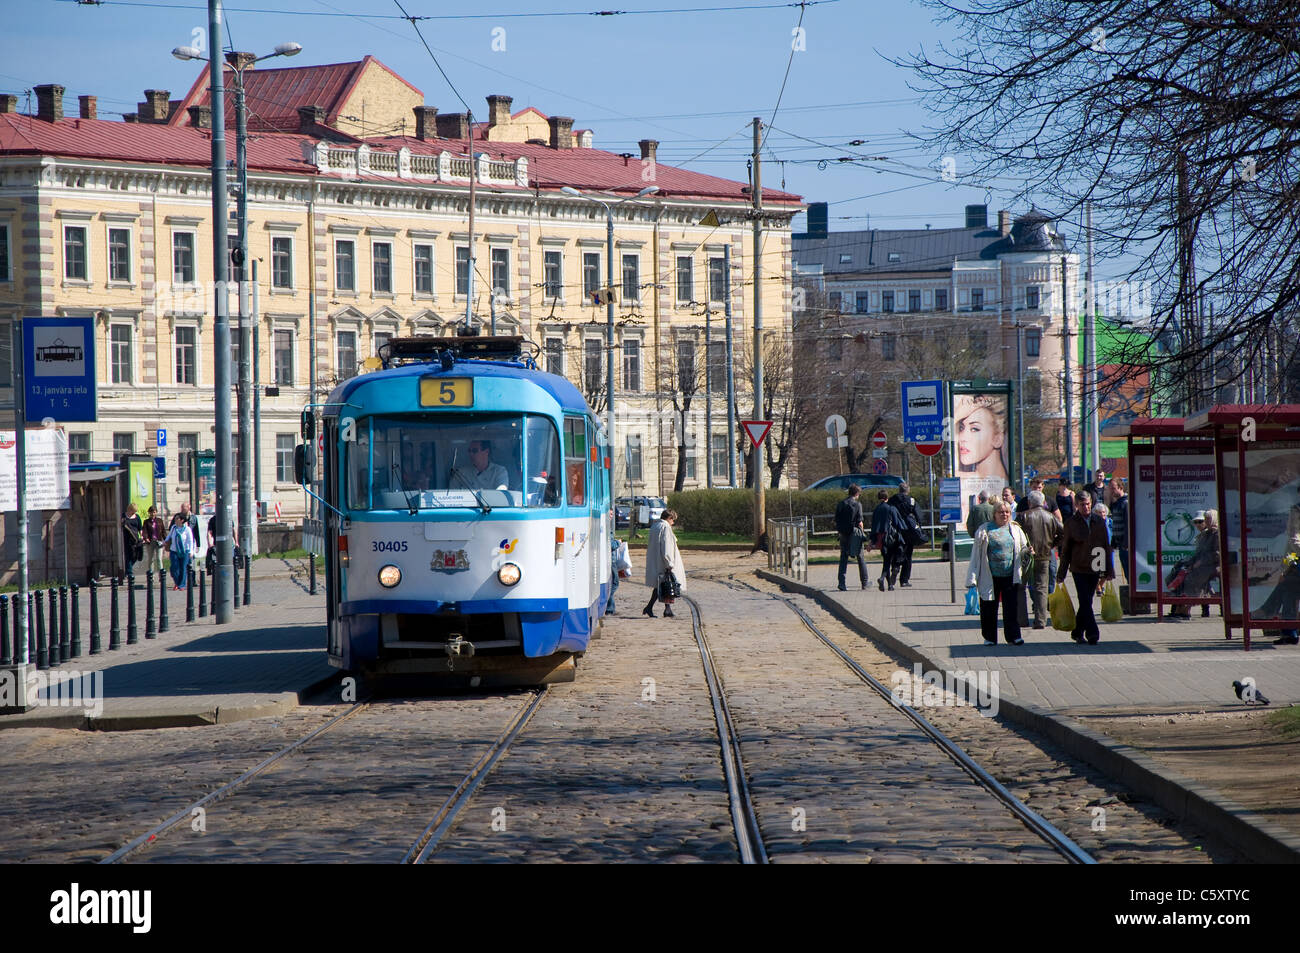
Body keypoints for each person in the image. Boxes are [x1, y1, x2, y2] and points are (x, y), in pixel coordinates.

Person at [967, 500, 1031, 645]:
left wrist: (1028, 551)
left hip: (1010, 575)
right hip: (990, 575)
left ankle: (1013, 636)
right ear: (994, 514)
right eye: (1001, 512)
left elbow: (1022, 547)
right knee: (988, 607)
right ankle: (989, 637)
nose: (1004, 514)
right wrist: (972, 578)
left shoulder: (1015, 529)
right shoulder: (985, 529)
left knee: (1011, 608)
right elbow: (976, 555)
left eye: (1007, 512)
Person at [1058, 490, 1115, 644]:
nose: (1086, 507)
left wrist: (1108, 570)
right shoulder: (1071, 523)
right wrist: (1061, 573)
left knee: (1087, 601)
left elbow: (1105, 546)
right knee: (1084, 600)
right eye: (1082, 505)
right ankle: (1093, 633)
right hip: (1079, 567)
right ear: (1076, 505)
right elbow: (1066, 550)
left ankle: (1077, 632)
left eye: (1088, 504)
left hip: (1096, 566)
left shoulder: (1099, 521)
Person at [1018, 490, 1062, 629]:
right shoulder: (1050, 517)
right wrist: (1052, 545)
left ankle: (1022, 620)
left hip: (1026, 556)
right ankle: (1041, 621)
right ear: (1043, 503)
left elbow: (1015, 534)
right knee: (1041, 588)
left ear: (1029, 502)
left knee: (1020, 587)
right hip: (1045, 556)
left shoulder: (1023, 516)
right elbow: (1063, 533)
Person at [1169, 510, 1219, 619]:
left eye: (1207, 519)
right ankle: (1178, 606)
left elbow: (1217, 554)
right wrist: (1189, 562)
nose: (1206, 522)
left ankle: (1186, 608)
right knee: (1180, 573)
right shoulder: (1206, 534)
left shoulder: (1217, 534)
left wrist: (1200, 562)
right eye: (1205, 519)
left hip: (1213, 565)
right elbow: (1199, 553)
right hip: (1202, 564)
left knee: (1191, 578)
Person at [955, 395, 1010, 482]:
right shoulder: (960, 480)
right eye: (961, 428)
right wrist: (956, 416)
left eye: (974, 429)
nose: (962, 438)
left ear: (997, 439)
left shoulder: (1006, 488)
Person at [643, 509, 686, 619]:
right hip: (663, 561)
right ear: (669, 518)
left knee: (663, 585)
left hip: (656, 560)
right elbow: (667, 546)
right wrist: (669, 563)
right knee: (666, 585)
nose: (673, 523)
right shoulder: (665, 527)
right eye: (673, 520)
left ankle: (665, 609)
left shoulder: (655, 526)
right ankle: (654, 608)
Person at [871, 489, 908, 591]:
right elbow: (898, 523)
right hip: (892, 538)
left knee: (886, 560)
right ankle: (885, 581)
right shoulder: (891, 509)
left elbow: (874, 526)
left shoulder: (877, 509)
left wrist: (872, 541)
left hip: (880, 539)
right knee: (891, 560)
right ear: (887, 498)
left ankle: (888, 583)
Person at [835, 484, 869, 591]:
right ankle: (864, 582)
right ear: (857, 493)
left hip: (843, 533)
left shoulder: (841, 504)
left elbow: (836, 519)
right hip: (855, 534)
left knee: (843, 558)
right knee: (860, 557)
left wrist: (839, 532)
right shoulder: (857, 505)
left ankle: (842, 583)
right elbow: (860, 522)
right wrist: (862, 534)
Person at [887, 482, 922, 587]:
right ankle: (904, 580)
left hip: (895, 530)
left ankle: (895, 567)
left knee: (896, 551)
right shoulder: (911, 500)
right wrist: (919, 525)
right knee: (908, 554)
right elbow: (919, 515)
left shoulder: (892, 500)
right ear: (908, 490)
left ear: (899, 490)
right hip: (908, 530)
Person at [164, 513, 194, 590]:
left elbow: (190, 541)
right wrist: (165, 541)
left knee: (183, 568)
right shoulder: (174, 527)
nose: (175, 520)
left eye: (177, 518)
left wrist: (190, 551)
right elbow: (169, 536)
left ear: (182, 520)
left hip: (184, 551)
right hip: (174, 550)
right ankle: (177, 582)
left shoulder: (187, 529)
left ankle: (181, 585)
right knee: (174, 568)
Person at [1109, 479, 1129, 583]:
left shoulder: (1125, 503)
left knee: (1129, 573)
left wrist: (1126, 543)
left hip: (1125, 545)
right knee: (1126, 573)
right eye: (1110, 488)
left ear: (1121, 488)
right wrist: (1113, 542)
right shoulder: (1116, 503)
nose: (1111, 491)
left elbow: (1128, 524)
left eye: (1113, 488)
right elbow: (1116, 524)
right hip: (1119, 543)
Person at [608, 535, 632, 615]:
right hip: (611, 560)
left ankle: (611, 607)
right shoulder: (607, 529)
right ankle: (609, 607)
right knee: (614, 584)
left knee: (613, 584)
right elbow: (610, 545)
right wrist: (618, 542)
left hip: (611, 560)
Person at [141, 504, 166, 575]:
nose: (153, 514)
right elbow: (144, 531)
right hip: (150, 542)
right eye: (151, 512)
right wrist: (146, 538)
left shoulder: (159, 521)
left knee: (159, 558)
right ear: (149, 513)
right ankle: (150, 574)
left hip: (158, 541)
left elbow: (163, 531)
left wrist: (165, 540)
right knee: (151, 559)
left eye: (154, 512)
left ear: (156, 512)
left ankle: (161, 574)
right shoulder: (146, 522)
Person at [121, 502, 143, 578]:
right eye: (133, 511)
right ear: (129, 509)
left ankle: (128, 569)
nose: (134, 512)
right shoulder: (123, 516)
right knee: (128, 555)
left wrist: (142, 537)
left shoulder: (137, 517)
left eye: (135, 511)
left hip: (135, 539)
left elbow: (140, 528)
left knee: (135, 556)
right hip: (126, 539)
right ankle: (129, 572)